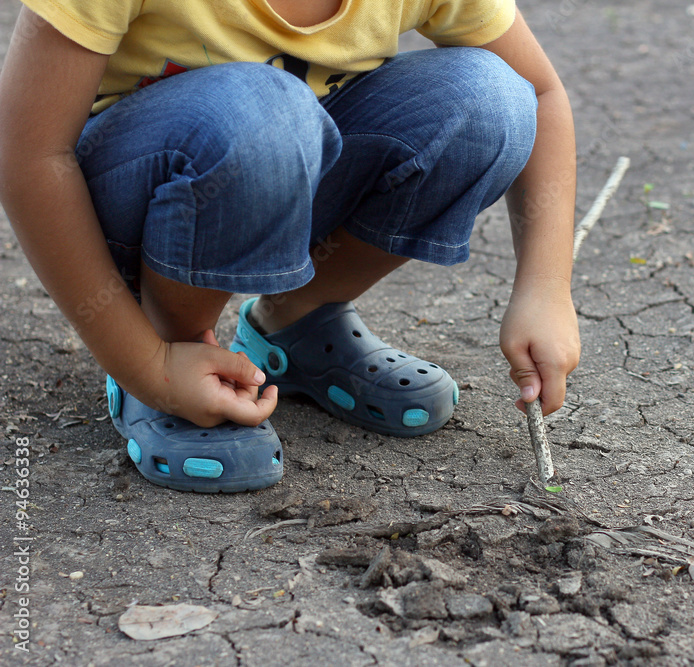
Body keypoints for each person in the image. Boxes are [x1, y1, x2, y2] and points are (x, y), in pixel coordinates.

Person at [0, 0, 580, 493]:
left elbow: (542, 93)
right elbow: (28, 155)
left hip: (282, 167)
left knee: (488, 98)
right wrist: (146, 364)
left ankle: (298, 323)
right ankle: (170, 343)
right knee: (265, 113)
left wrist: (546, 288)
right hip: (131, 205)